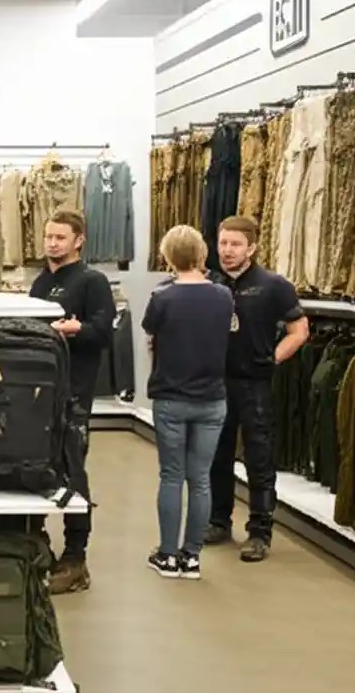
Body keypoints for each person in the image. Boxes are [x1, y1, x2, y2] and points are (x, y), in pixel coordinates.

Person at [206, 216, 310, 562]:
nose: (228, 251)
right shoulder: (211, 282)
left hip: (255, 383)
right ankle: (218, 521)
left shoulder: (273, 285)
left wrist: (275, 358)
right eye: (223, 243)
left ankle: (260, 532)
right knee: (216, 456)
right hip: (217, 382)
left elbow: (299, 330)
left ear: (251, 247)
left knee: (259, 458)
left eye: (235, 244)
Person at [28, 210, 114, 594]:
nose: (52, 243)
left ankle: (76, 557)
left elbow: (103, 331)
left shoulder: (92, 281)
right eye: (48, 236)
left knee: (73, 472)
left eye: (60, 237)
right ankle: (37, 544)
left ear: (79, 240)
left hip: (74, 395)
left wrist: (78, 329)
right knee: (35, 468)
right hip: (37, 394)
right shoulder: (42, 281)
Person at [142, 225, 233, 579]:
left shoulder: (162, 298)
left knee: (171, 476)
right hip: (212, 398)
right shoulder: (224, 296)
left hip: (171, 396)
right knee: (201, 479)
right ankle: (192, 556)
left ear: (167, 257)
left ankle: (167, 555)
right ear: (202, 254)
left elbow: (152, 335)